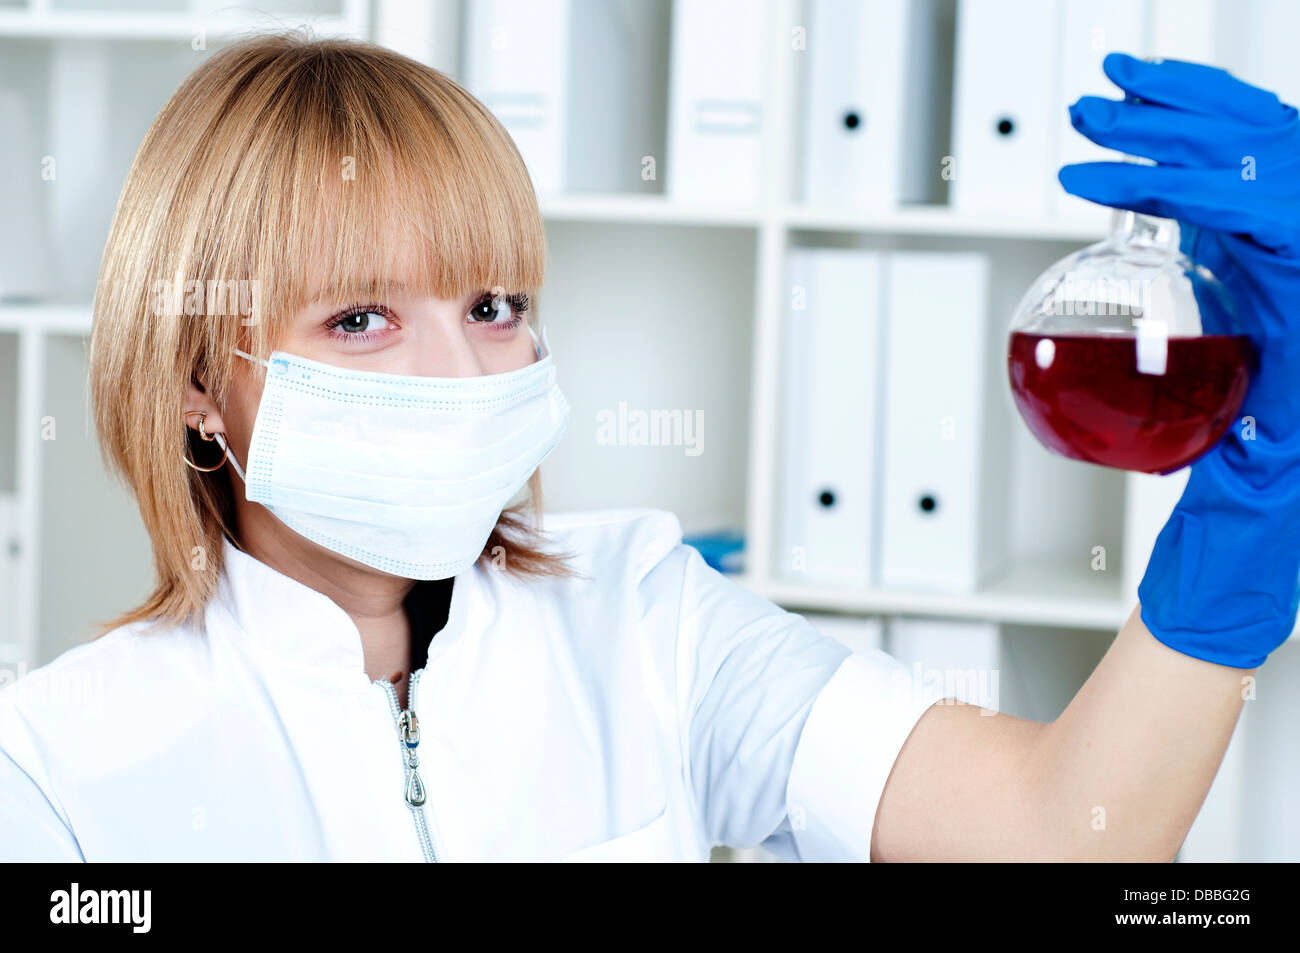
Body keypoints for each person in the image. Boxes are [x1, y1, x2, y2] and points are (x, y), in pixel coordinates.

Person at [2, 35, 1298, 862]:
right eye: (359, 319)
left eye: (493, 306)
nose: (462, 374)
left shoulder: (643, 618)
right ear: (196, 379)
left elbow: (1063, 836)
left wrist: (1249, 519)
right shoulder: (55, 769)